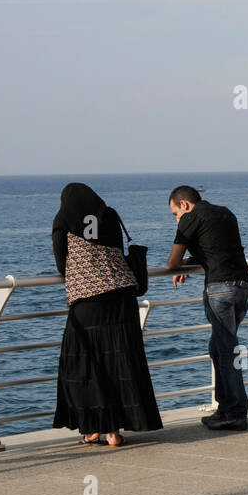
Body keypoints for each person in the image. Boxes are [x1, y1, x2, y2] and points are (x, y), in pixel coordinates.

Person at [52, 183, 162, 447]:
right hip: (122, 296)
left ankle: (94, 429)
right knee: (119, 362)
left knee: (84, 364)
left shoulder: (64, 218)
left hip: (89, 300)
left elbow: (61, 263)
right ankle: (113, 432)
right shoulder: (109, 215)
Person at [166, 186, 248, 432]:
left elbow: (172, 262)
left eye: (175, 213)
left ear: (184, 204)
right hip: (242, 286)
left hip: (219, 289)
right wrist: (191, 263)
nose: (177, 218)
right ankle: (225, 408)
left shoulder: (190, 217)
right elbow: (216, 250)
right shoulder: (226, 213)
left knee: (226, 351)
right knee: (219, 347)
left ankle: (236, 412)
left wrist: (179, 266)